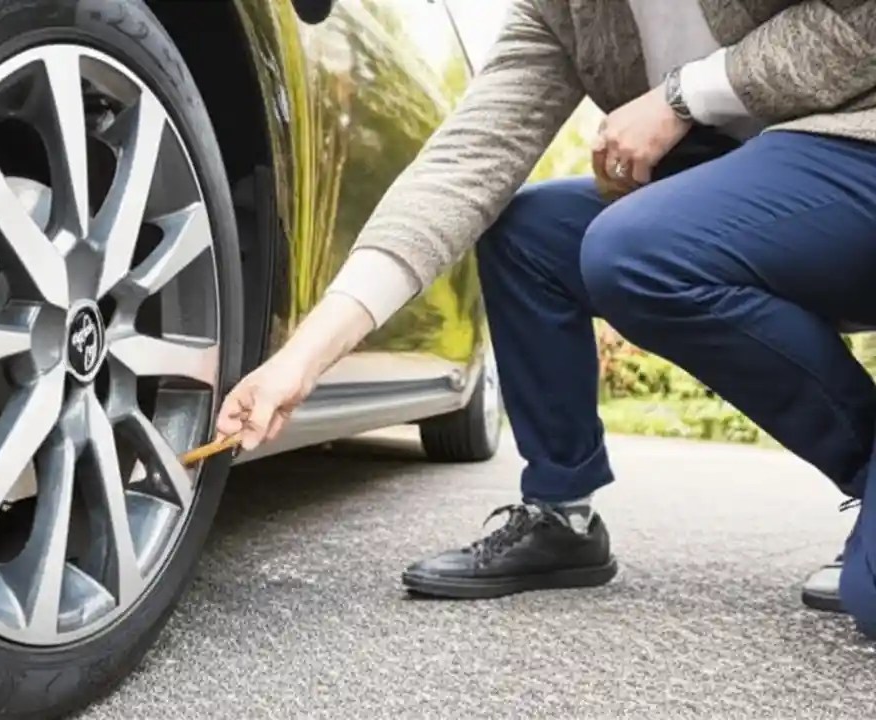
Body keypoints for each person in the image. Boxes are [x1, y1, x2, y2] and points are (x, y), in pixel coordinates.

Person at [215, 0, 876, 637]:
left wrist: (682, 97)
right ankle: (563, 519)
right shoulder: (562, 13)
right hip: (743, 209)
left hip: (857, 157)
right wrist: (300, 362)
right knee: (528, 234)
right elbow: (465, 165)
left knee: (634, 249)